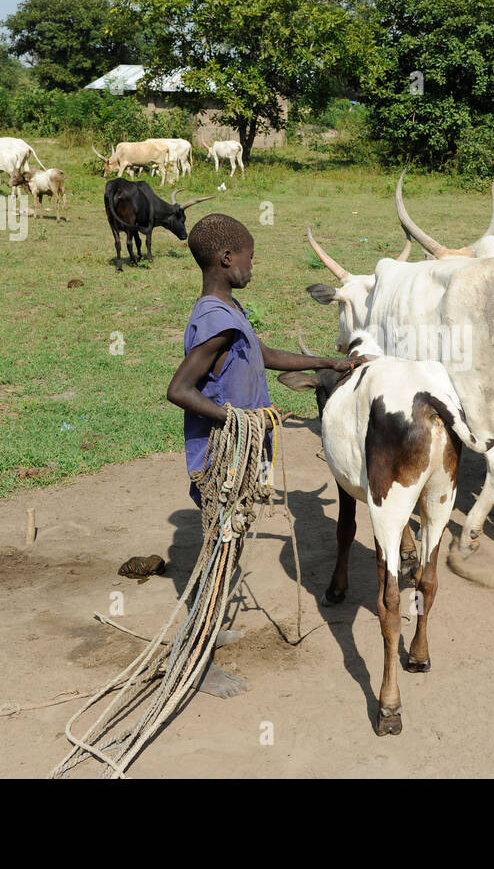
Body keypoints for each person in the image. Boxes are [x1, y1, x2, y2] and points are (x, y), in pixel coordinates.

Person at [166, 213, 358, 698]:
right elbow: (180, 389)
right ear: (228, 259)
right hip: (222, 459)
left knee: (228, 550)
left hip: (239, 460)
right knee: (219, 555)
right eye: (250, 255)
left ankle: (207, 630)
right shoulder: (217, 324)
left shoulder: (229, 313)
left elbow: (264, 354)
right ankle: (197, 660)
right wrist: (238, 420)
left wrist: (329, 361)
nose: (254, 264)